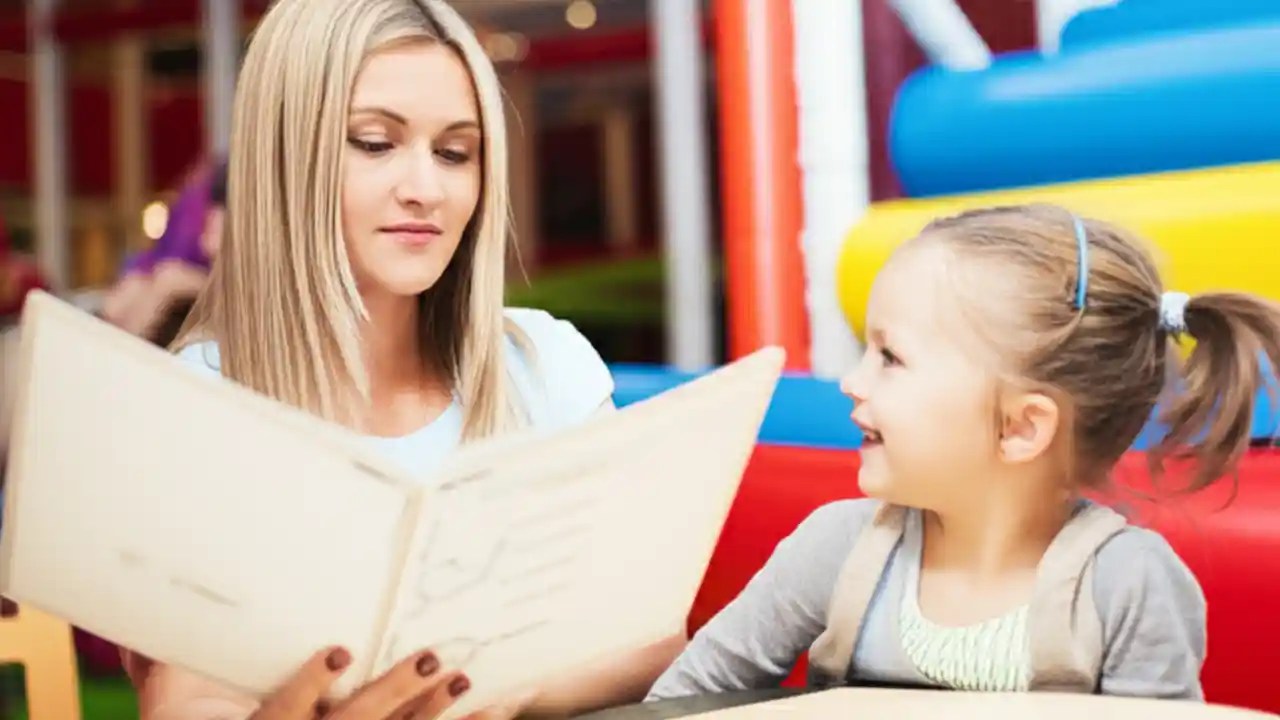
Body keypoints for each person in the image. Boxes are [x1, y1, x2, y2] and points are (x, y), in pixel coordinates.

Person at [121, 0, 684, 718]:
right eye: (374, 142)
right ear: (286, 158)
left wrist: (493, 693)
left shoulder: (546, 365)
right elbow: (185, 700)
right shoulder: (196, 405)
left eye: (455, 152)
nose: (426, 189)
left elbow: (657, 636)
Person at [648, 203, 1280, 701]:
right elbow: (683, 698)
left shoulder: (1126, 586)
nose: (852, 380)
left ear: (1020, 428)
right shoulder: (838, 551)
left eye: (890, 357)